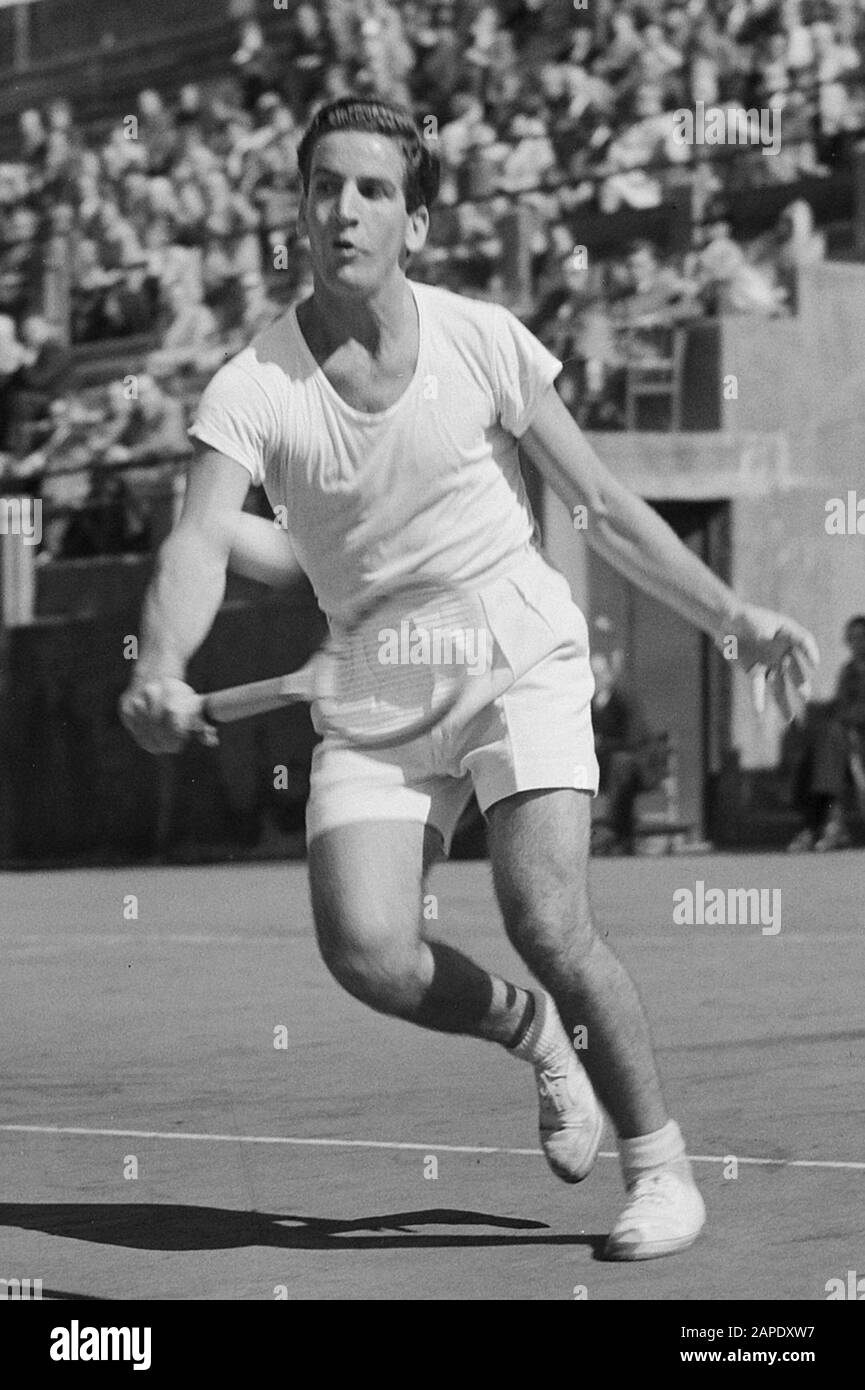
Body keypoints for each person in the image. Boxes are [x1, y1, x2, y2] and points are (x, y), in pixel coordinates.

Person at [120, 97, 818, 1262]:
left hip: (515, 655)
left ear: (420, 222)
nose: (344, 208)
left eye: (374, 189)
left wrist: (731, 616)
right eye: (325, 185)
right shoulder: (253, 383)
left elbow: (602, 506)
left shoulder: (483, 338)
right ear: (298, 209)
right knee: (369, 952)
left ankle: (661, 1169)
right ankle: (536, 1037)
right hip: (376, 680)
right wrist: (165, 667)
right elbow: (195, 542)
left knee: (545, 913)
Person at [787, 615, 865, 852]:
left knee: (829, 741)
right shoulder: (848, 671)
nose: (858, 643)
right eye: (853, 638)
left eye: (862, 637)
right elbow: (840, 706)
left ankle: (817, 826)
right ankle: (829, 824)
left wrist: (848, 722)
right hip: (847, 737)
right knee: (821, 749)